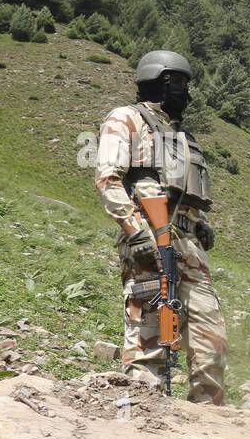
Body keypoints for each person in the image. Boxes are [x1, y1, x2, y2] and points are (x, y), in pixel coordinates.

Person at [94, 50, 227, 404]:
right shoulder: (126, 119)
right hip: (147, 239)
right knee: (150, 336)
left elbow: (182, 193)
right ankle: (142, 418)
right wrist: (134, 229)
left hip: (189, 249)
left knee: (210, 338)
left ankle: (209, 423)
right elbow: (109, 178)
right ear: (158, 80)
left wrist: (200, 225)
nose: (185, 92)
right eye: (180, 83)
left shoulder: (183, 136)